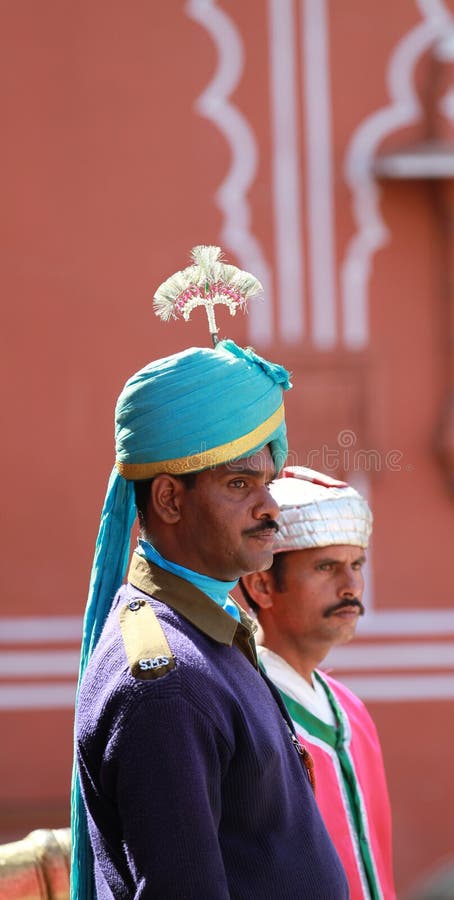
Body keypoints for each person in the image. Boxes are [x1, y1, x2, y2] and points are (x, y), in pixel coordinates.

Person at [71, 248, 349, 900]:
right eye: (238, 483)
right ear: (169, 499)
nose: (269, 507)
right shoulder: (164, 684)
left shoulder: (211, 634)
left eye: (268, 481)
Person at [239, 466, 397, 900]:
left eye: (356, 565)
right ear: (263, 585)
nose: (350, 587)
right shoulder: (243, 713)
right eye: (327, 567)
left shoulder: (352, 711)